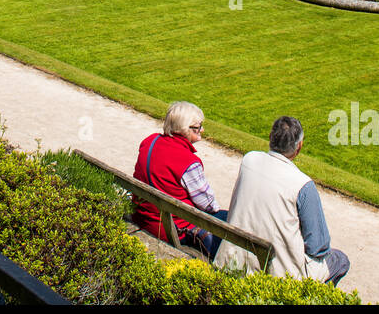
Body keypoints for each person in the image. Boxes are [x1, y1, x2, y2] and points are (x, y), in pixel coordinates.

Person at [214, 115, 350, 286]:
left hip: (236, 257)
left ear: (271, 137)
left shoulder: (249, 159)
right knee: (340, 259)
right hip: (277, 274)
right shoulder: (303, 184)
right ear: (299, 147)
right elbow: (318, 247)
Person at [132, 101, 228, 259]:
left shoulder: (150, 141)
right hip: (171, 230)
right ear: (184, 129)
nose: (202, 130)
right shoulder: (188, 162)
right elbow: (209, 205)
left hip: (144, 216)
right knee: (231, 218)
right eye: (197, 127)